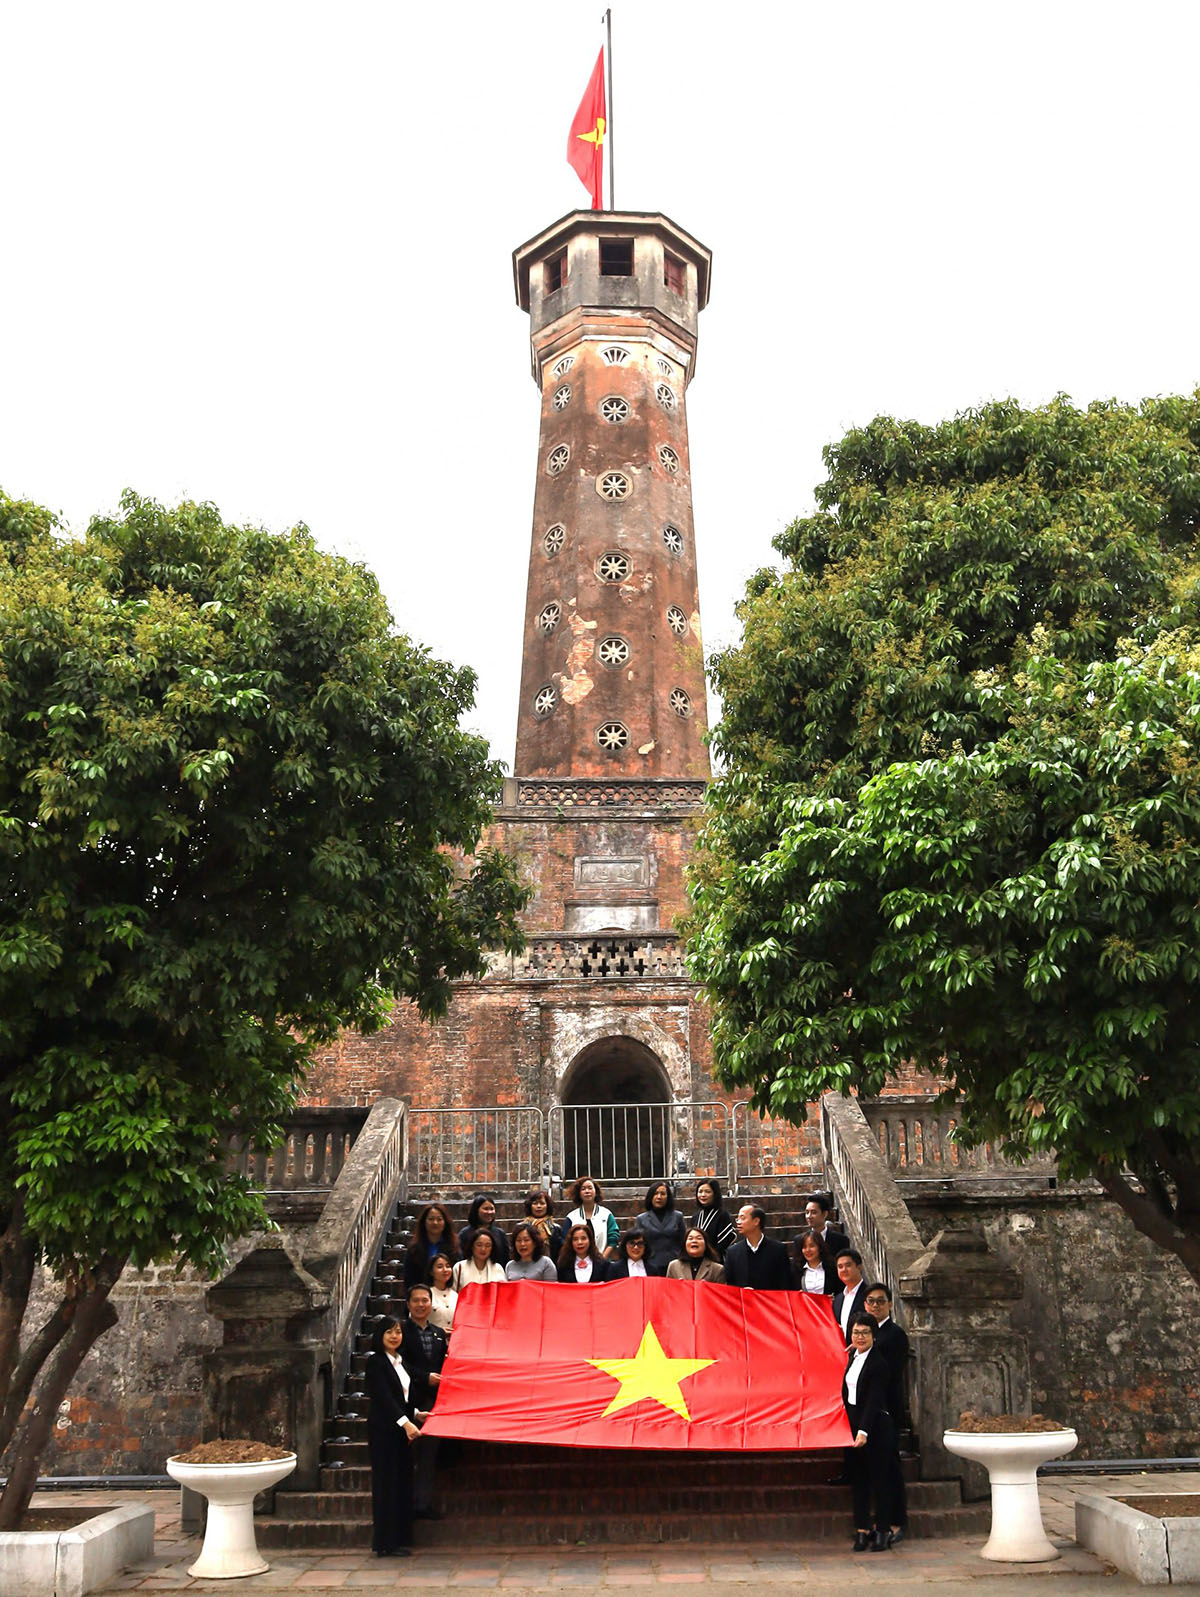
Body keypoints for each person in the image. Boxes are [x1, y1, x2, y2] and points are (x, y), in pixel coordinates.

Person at [364, 1316, 425, 1558]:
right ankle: (385, 1542)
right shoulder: (376, 1363)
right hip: (384, 1430)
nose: (394, 1336)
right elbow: (384, 1398)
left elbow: (403, 1398)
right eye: (388, 1332)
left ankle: (398, 1537)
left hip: (400, 1430)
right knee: (385, 1483)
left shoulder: (400, 1362)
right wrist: (405, 1422)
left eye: (397, 1331)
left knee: (400, 1481)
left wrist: (417, 1414)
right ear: (380, 1336)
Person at [841, 1314, 900, 1552]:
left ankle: (883, 1531)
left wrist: (864, 1431)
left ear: (874, 1336)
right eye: (856, 1332)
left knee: (880, 1481)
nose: (860, 1337)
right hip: (853, 1428)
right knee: (859, 1481)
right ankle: (862, 1530)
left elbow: (874, 1401)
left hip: (875, 1428)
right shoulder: (851, 1357)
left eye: (865, 1333)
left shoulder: (878, 1363)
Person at [863, 1281, 910, 1545]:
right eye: (871, 1302)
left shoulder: (895, 1335)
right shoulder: (862, 1333)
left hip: (887, 1409)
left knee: (891, 1468)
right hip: (867, 1410)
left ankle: (897, 1520)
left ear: (890, 1304)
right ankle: (880, 1519)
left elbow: (888, 1374)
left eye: (880, 1301)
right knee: (875, 1469)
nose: (875, 1306)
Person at [399, 1285, 448, 1521]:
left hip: (434, 1403)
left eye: (425, 1300)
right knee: (405, 1455)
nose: (421, 1305)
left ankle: (423, 1503)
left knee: (429, 1455)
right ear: (408, 1304)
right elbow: (398, 1363)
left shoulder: (438, 1333)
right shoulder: (400, 1332)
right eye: (416, 1301)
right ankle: (403, 1504)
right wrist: (423, 1377)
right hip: (407, 1400)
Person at [723, 1204, 793, 1289]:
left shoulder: (778, 1250)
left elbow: (784, 1283)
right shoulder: (733, 1252)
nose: (738, 1222)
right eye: (738, 1218)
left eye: (743, 1218)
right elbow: (730, 1285)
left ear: (756, 1221)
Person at [403, 1203, 460, 1291]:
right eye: (431, 1219)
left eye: (439, 1219)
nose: (435, 1223)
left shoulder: (454, 1247)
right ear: (424, 1222)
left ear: (445, 1222)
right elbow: (409, 1278)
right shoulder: (414, 1248)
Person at [635, 1180, 687, 1276]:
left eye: (662, 1194)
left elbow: (683, 1241)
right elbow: (639, 1243)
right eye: (655, 1194)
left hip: (674, 1265)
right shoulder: (641, 1219)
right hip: (651, 1264)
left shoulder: (678, 1216)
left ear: (668, 1197)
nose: (659, 1197)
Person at [564, 1177, 619, 1259]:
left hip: (603, 1263)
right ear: (578, 1193)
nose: (587, 1191)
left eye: (590, 1188)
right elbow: (566, 1241)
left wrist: (602, 1259)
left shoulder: (606, 1214)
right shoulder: (571, 1217)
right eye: (583, 1189)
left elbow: (613, 1238)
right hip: (578, 1263)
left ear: (596, 1191)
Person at [458, 1194, 510, 1268]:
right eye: (486, 1209)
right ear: (476, 1210)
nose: (489, 1212)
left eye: (491, 1209)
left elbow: (505, 1259)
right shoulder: (465, 1234)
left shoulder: (500, 1234)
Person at [691, 1178, 737, 1259]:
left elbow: (726, 1240)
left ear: (715, 1194)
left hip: (717, 1262)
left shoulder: (722, 1215)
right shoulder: (696, 1217)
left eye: (707, 1192)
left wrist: (711, 1256)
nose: (703, 1195)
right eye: (700, 1191)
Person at [451, 1226, 506, 1291]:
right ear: (472, 1246)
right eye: (479, 1245)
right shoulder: (459, 1267)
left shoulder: (498, 1268)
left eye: (487, 1245)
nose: (483, 1249)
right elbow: (453, 1295)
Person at [832, 1250, 869, 1344]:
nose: (844, 1269)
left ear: (859, 1267)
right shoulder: (838, 1299)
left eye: (848, 1265)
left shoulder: (869, 1295)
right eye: (840, 1267)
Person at [792, 1227, 838, 1295]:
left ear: (820, 1247)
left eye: (812, 1246)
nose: (808, 1250)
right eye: (804, 1247)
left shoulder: (832, 1268)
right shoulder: (796, 1270)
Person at [804, 1193, 849, 1259]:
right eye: (807, 1212)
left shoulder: (840, 1240)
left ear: (825, 1214)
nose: (809, 1216)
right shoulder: (800, 1240)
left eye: (814, 1212)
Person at [523, 1188, 563, 1259]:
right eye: (535, 1203)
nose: (539, 1206)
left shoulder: (555, 1228)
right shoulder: (522, 1227)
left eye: (542, 1203)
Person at [425, 1253, 458, 1334]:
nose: (445, 1270)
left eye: (448, 1266)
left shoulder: (455, 1295)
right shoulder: (425, 1293)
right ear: (431, 1272)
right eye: (440, 1267)